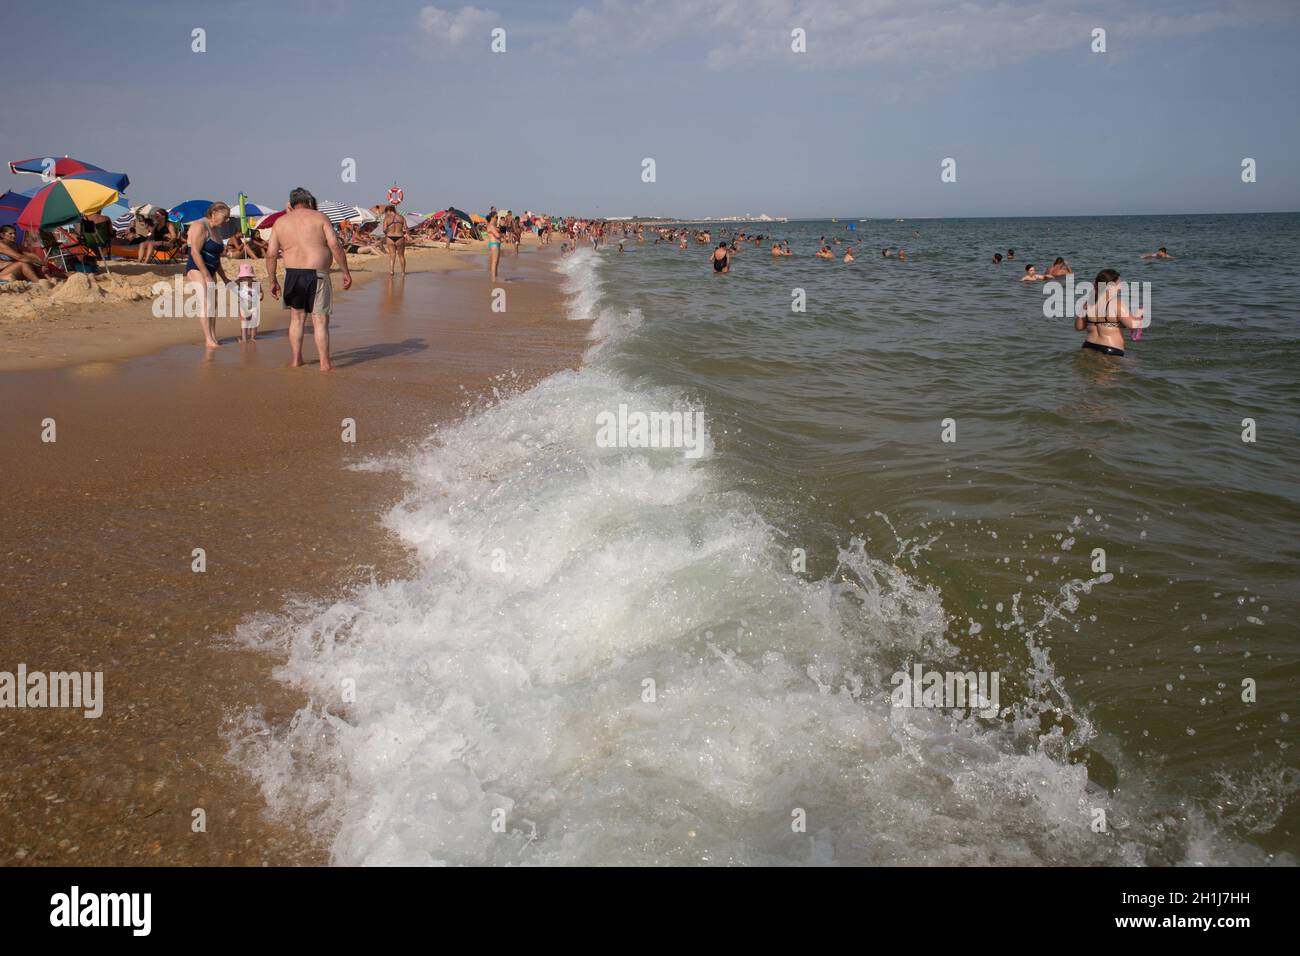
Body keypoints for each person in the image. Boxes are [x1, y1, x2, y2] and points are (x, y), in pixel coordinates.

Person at [266, 187, 352, 371]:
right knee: (319, 320)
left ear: (290, 204)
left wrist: (272, 280)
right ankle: (324, 364)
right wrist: (345, 271)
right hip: (317, 274)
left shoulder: (280, 222)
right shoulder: (319, 217)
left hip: (293, 274)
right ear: (310, 201)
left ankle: (297, 360)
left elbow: (271, 255)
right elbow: (335, 245)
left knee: (296, 319)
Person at [185, 202, 232, 349]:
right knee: (206, 302)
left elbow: (216, 258)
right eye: (225, 217)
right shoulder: (199, 226)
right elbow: (194, 252)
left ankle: (212, 336)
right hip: (196, 269)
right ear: (214, 213)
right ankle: (208, 339)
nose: (227, 220)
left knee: (214, 304)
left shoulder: (216, 230)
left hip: (211, 270)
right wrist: (206, 275)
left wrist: (224, 278)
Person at [1076, 268, 1144, 357]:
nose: (1121, 286)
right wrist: (1138, 315)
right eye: (1119, 283)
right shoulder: (1116, 303)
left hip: (1088, 346)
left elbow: (1079, 327)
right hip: (1110, 350)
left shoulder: (1089, 302)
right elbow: (1133, 325)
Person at [235, 262, 263, 343]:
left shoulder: (256, 284)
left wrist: (261, 296)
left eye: (248, 277)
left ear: (252, 277)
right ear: (241, 278)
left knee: (254, 323)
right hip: (243, 307)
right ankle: (244, 338)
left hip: (254, 307)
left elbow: (261, 292)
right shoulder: (240, 285)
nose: (246, 279)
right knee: (244, 323)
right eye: (244, 278)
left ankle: (253, 337)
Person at [381, 204, 407, 275]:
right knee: (401, 255)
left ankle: (392, 271)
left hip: (390, 237)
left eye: (386, 212)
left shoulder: (387, 218)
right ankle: (403, 272)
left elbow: (384, 229)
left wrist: (388, 232)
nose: (386, 213)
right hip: (400, 237)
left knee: (392, 255)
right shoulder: (401, 217)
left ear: (388, 210)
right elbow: (405, 229)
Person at [486, 212, 503, 280]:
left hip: (497, 244)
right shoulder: (491, 226)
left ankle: (496, 276)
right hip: (494, 244)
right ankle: (493, 278)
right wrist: (501, 234)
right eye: (496, 217)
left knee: (497, 262)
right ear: (492, 217)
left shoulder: (493, 226)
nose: (497, 218)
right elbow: (498, 235)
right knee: (494, 262)